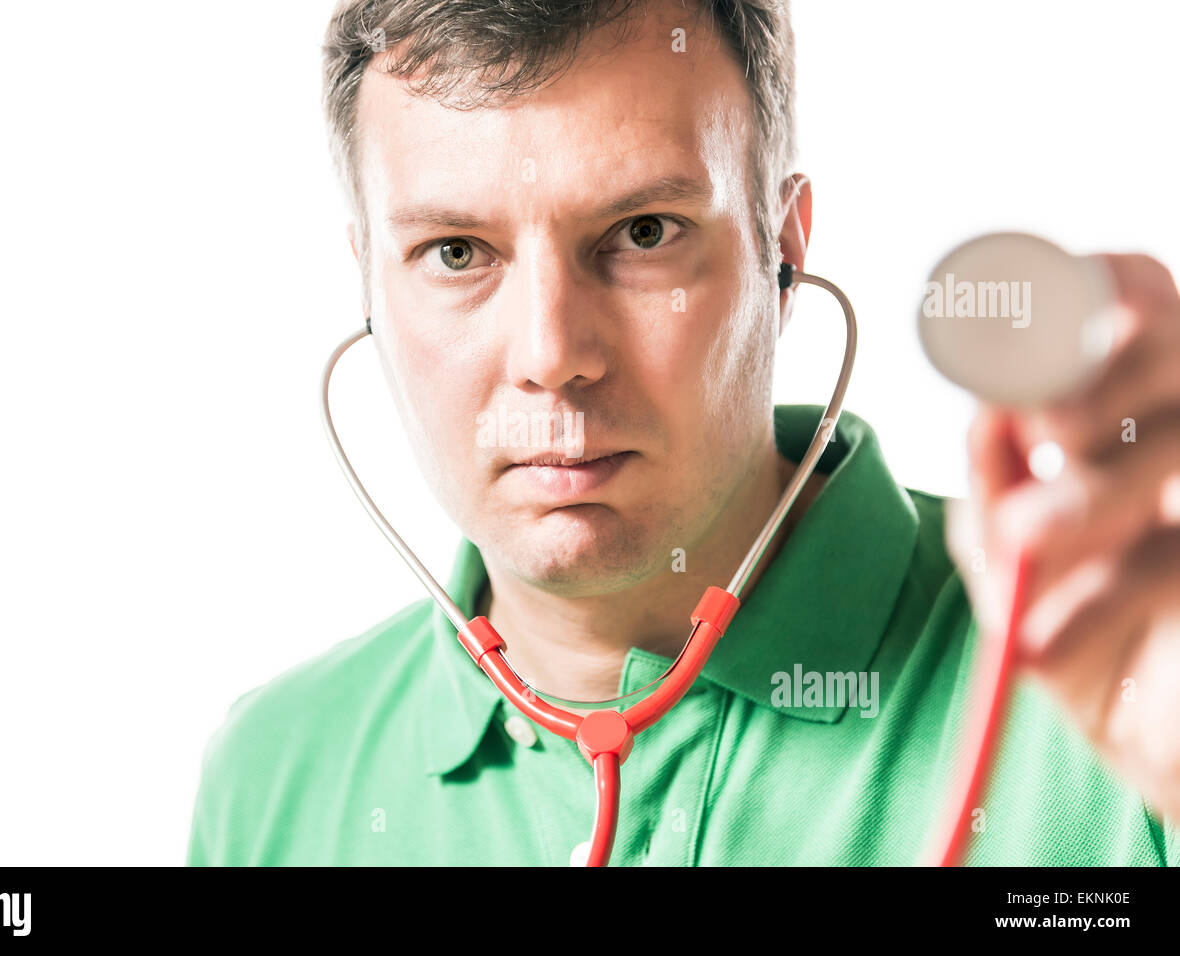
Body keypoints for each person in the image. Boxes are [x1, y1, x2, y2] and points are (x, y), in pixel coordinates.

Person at [187, 0, 1180, 866]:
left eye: (643, 232)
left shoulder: (1118, 669)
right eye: (457, 251)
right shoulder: (274, 775)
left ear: (781, 252)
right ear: (369, 282)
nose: (552, 351)